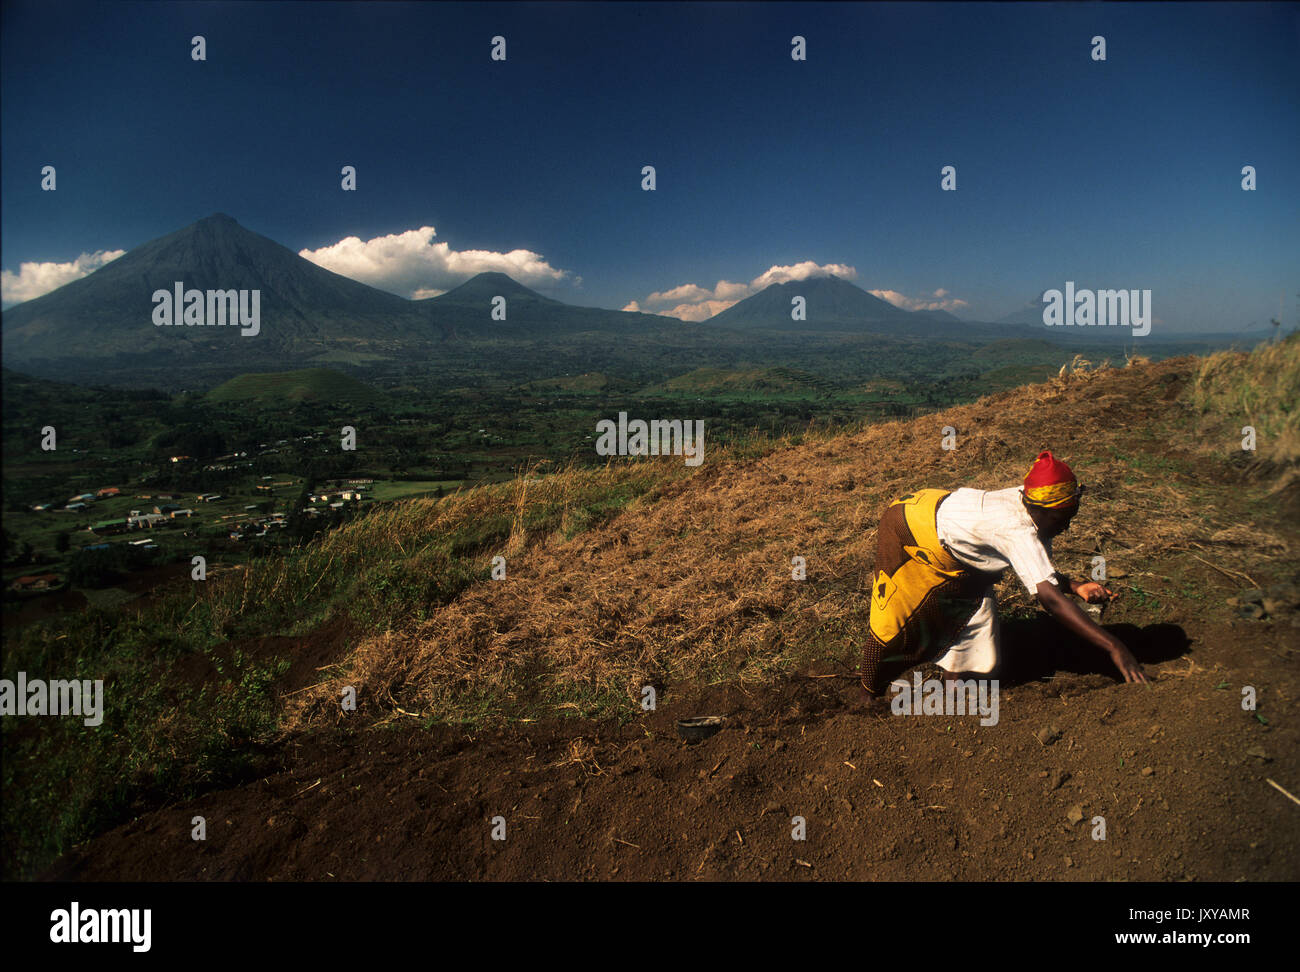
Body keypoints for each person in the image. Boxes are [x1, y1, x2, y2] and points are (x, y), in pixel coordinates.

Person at [859, 450, 1148, 694]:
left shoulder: (1033, 509)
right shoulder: (1017, 530)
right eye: (1063, 518)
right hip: (908, 528)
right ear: (1042, 510)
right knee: (894, 619)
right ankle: (867, 694)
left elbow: (1039, 571)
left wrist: (1074, 585)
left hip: (947, 533)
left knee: (972, 620)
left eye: (1070, 518)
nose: (1067, 526)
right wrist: (1114, 646)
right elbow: (1050, 601)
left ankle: (953, 691)